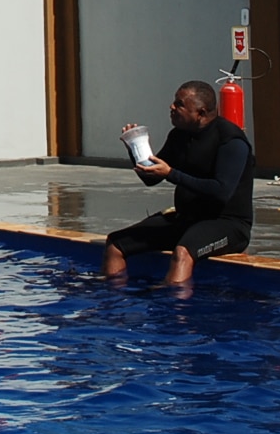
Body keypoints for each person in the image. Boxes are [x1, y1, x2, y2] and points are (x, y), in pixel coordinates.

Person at [102, 80, 255, 288]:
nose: (172, 107)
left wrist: (172, 174)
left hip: (228, 224)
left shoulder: (231, 140)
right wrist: (134, 147)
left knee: (182, 253)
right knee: (115, 244)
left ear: (200, 113)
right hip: (187, 219)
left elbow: (221, 192)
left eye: (179, 104)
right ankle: (113, 302)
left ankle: (175, 310)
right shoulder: (179, 135)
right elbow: (151, 179)